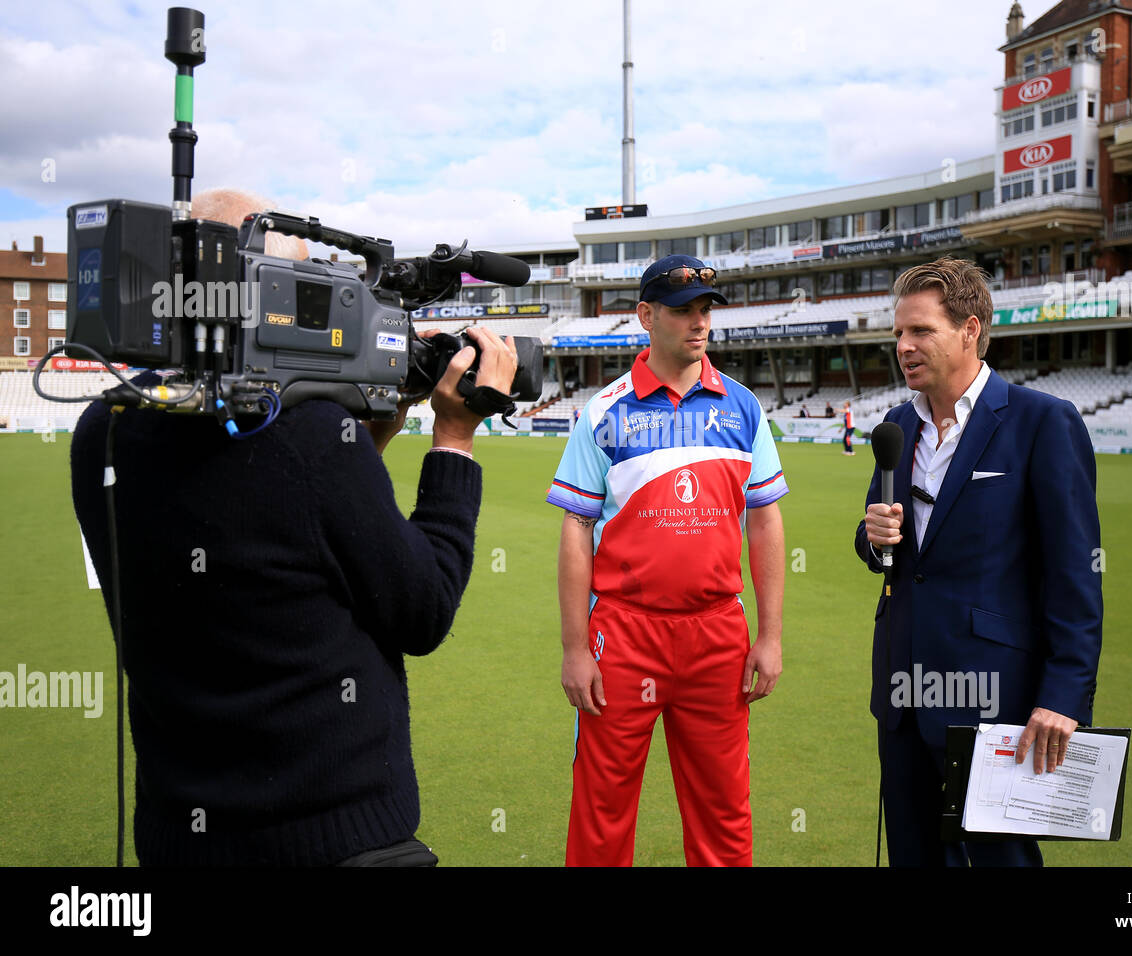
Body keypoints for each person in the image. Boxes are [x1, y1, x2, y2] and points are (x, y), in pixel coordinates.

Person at [70, 188, 519, 866]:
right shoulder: (308, 437)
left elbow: (266, 533)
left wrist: (363, 441)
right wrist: (454, 436)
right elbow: (423, 610)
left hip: (180, 834)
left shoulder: (102, 429)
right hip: (333, 838)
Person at [854, 256, 1102, 867]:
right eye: (898, 335)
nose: (904, 347)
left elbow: (1076, 575)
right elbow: (885, 552)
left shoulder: (1043, 422)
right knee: (914, 856)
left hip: (996, 700)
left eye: (920, 331)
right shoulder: (896, 424)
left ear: (969, 329)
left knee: (1000, 863)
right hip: (904, 692)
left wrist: (1065, 696)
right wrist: (873, 535)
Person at [547, 254, 787, 867]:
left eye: (707, 309)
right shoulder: (604, 411)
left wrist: (771, 635)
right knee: (601, 813)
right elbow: (575, 531)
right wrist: (576, 649)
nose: (699, 322)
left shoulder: (742, 408)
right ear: (646, 316)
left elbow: (764, 520)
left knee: (724, 816)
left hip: (717, 635)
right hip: (623, 635)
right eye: (684, 311)